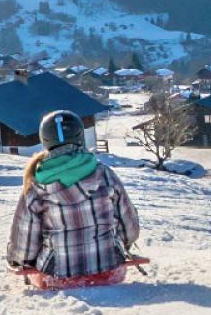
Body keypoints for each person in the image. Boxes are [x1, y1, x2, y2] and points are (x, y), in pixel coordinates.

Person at [7, 110, 141, 281]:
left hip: (56, 275)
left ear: (45, 140)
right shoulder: (104, 174)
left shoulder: (37, 186)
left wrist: (19, 260)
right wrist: (123, 244)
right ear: (80, 136)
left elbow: (24, 241)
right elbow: (129, 225)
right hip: (109, 268)